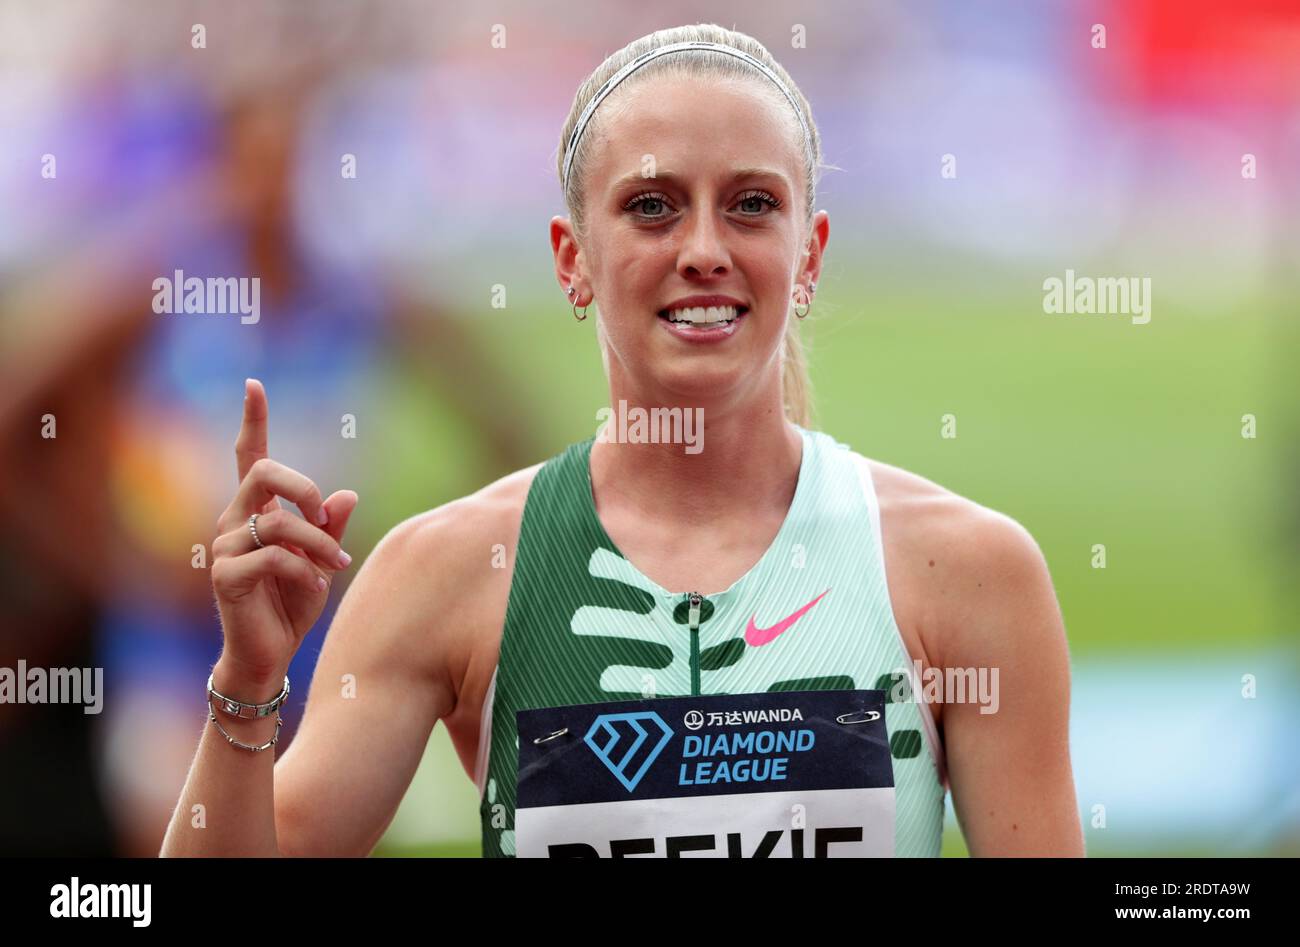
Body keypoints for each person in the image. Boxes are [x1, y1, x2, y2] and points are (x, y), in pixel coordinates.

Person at [160, 23, 1084, 858]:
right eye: (653, 206)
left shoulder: (967, 571)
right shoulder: (447, 572)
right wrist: (248, 679)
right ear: (573, 258)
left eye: (752, 204)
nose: (704, 249)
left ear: (810, 254)